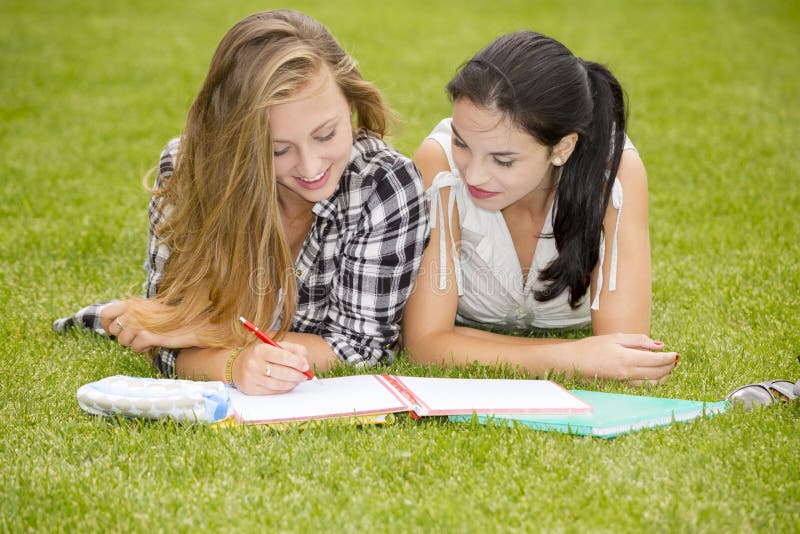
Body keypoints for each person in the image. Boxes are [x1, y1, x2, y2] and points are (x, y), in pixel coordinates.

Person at [53, 10, 429, 395]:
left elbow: (359, 349)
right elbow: (163, 342)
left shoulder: (383, 186)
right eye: (278, 149)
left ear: (350, 103)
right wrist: (232, 365)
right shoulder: (189, 170)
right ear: (236, 143)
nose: (311, 166)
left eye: (326, 134)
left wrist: (207, 329)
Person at [402, 30, 677, 384]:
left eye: (503, 160)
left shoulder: (614, 171)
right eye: (461, 142)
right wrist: (572, 356)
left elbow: (623, 348)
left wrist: (468, 345)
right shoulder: (438, 164)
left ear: (562, 148)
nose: (473, 174)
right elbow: (425, 345)